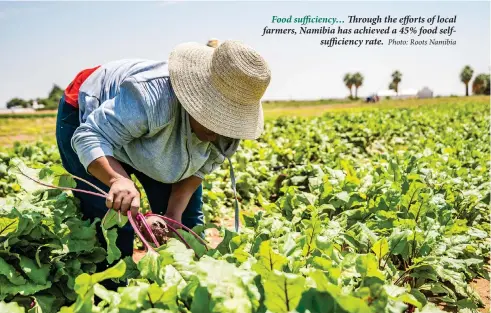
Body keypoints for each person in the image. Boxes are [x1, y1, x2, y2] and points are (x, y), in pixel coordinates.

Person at [55, 40, 271, 280]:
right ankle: (109, 293)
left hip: (145, 129)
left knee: (185, 227)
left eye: (226, 123)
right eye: (214, 120)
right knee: (113, 223)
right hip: (90, 114)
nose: (219, 133)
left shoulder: (229, 132)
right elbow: (90, 136)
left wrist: (173, 215)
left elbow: (198, 171)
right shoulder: (153, 96)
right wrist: (118, 179)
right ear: (194, 102)